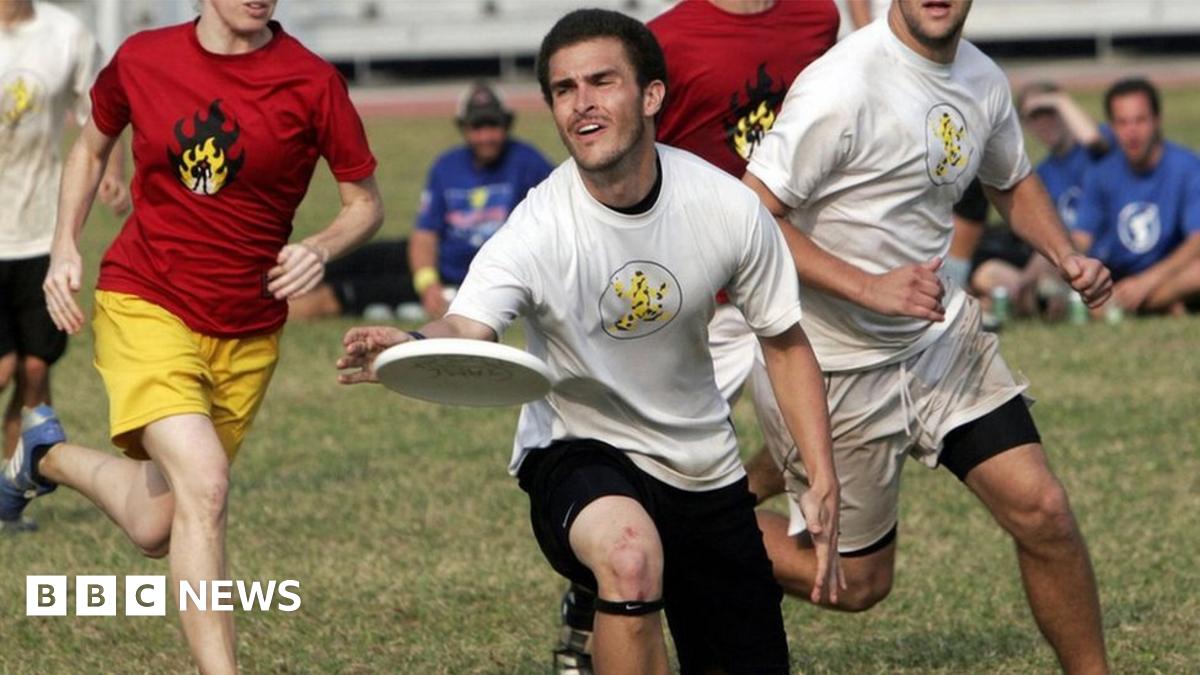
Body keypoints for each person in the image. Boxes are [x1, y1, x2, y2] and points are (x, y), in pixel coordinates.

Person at [337, 9, 840, 674]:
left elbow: (784, 341)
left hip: (701, 465)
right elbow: (466, 324)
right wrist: (408, 342)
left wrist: (821, 476)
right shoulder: (538, 227)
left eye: (602, 81)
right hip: (577, 450)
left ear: (652, 95)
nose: (582, 103)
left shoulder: (727, 207)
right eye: (564, 89)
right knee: (630, 556)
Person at [0, 1, 383, 672]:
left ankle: (43, 454)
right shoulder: (144, 59)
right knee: (205, 486)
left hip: (247, 331)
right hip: (145, 299)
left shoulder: (313, 82)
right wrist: (64, 246)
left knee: (157, 525)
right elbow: (89, 148)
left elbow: (366, 202)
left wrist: (320, 246)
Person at [741, 1, 1112, 672]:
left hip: (940, 343)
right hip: (833, 364)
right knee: (860, 584)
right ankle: (677, 532)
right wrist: (868, 286)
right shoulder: (842, 84)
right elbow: (751, 216)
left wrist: (1065, 256)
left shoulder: (981, 78)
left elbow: (1011, 178)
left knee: (1045, 511)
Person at [550, 1, 839, 670]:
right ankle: (612, 572)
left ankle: (688, 534)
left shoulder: (817, 17)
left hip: (774, 277)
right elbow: (614, 156)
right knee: (638, 463)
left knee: (825, 453)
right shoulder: (666, 40)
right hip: (687, 292)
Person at [289, 81, 553, 321]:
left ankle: (279, 308)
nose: (486, 136)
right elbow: (425, 235)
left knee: (337, 296)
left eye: (493, 125)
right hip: (435, 262)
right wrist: (427, 282)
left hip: (462, 279)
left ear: (507, 124)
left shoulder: (528, 162)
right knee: (349, 260)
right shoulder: (447, 165)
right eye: (477, 127)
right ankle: (276, 282)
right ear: (463, 127)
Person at [0, 0, 128, 480]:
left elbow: (103, 114)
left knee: (35, 369)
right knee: (3, 368)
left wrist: (113, 173)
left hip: (40, 232)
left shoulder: (67, 34)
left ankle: (13, 490)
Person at [970, 83, 1113, 319]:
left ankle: (1028, 298)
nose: (1044, 122)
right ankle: (1033, 298)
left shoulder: (1095, 152)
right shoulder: (1042, 173)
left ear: (1064, 110)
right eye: (1034, 117)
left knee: (1057, 259)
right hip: (1055, 264)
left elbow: (1093, 138)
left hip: (1095, 254)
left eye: (1049, 112)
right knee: (988, 273)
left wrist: (1057, 99)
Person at [1072, 77, 1200, 315]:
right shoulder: (1100, 173)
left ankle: (1124, 306)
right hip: (1117, 275)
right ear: (1111, 127)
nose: (1131, 131)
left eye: (1140, 120)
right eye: (1122, 122)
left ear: (1157, 121)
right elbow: (1081, 239)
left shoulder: (1188, 167)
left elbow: (1197, 240)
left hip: (1170, 272)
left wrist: (1147, 282)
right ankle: (1160, 303)